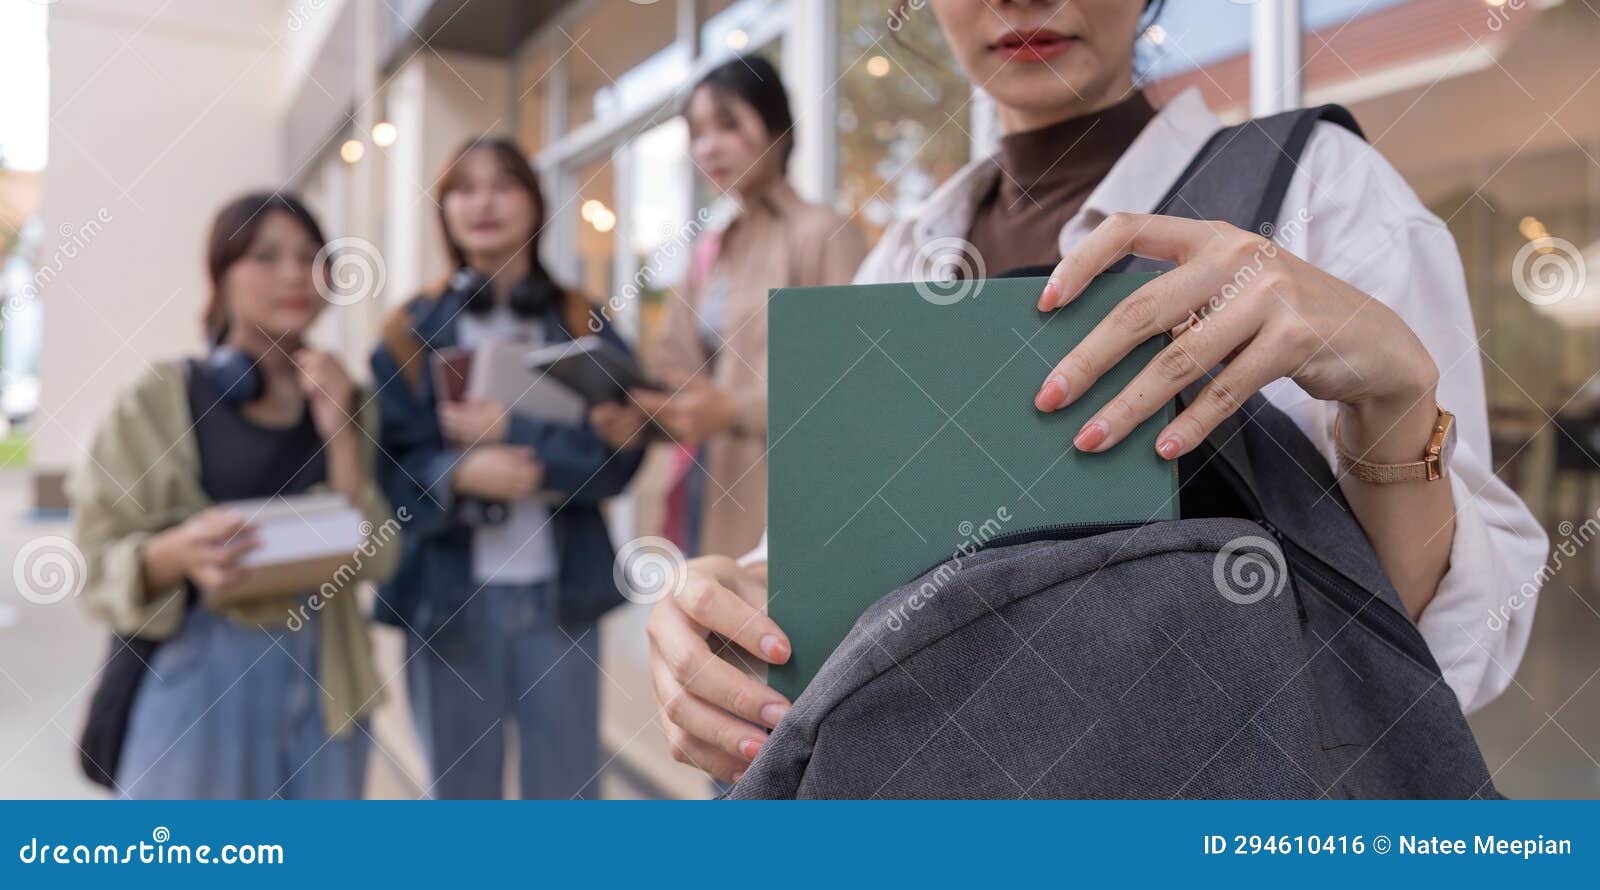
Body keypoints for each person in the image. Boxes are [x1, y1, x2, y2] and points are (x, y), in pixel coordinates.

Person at [644, 0, 1549, 785]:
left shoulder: (1320, 190)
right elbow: (830, 573)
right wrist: (724, 600)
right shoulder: (905, 258)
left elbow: (1421, 654)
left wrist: (1394, 401)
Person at [72, 192, 397, 798]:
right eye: (266, 256)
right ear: (221, 276)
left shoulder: (350, 398)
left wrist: (342, 434)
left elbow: (376, 556)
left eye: (311, 257)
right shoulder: (160, 399)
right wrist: (177, 553)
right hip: (197, 673)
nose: (295, 275)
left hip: (326, 676)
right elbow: (95, 560)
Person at [371, 137, 644, 799]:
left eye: (503, 185)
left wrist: (520, 437)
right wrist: (456, 475)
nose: (484, 202)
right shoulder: (406, 332)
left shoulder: (584, 320)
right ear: (444, 210)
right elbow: (386, 472)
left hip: (561, 602)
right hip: (449, 606)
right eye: (464, 187)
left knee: (568, 798)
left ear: (535, 201)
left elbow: (620, 457)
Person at [598, 55, 867, 560]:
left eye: (727, 124)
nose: (709, 147)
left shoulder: (823, 233)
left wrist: (734, 411)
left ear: (778, 127)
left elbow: (857, 388)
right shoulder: (713, 249)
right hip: (709, 490)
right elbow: (677, 370)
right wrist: (645, 418)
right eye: (696, 133)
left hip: (790, 504)